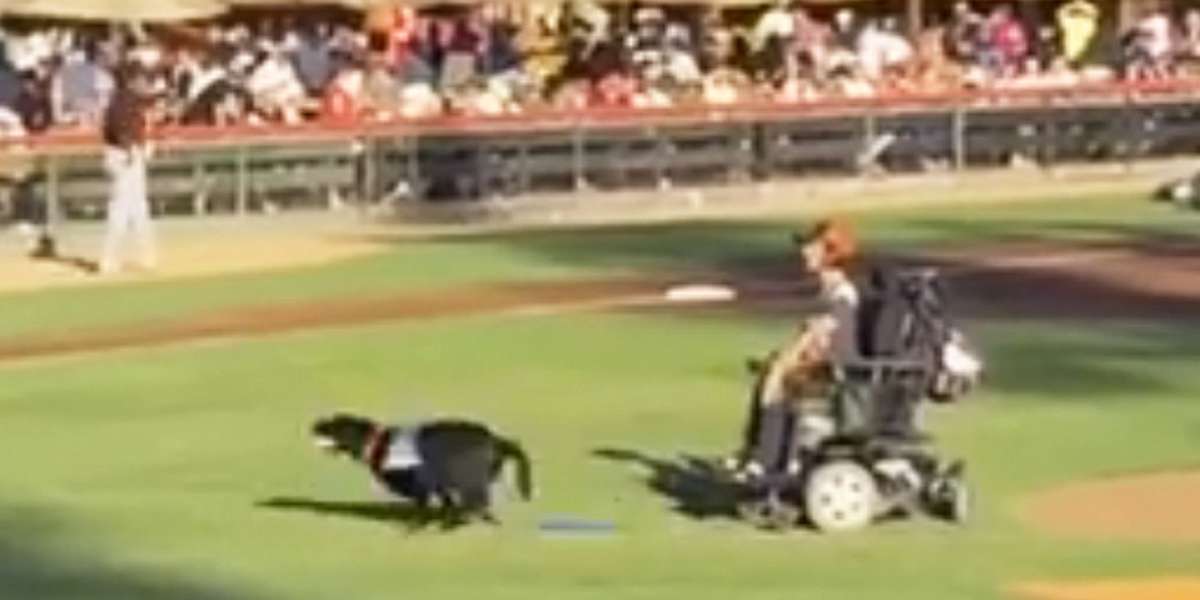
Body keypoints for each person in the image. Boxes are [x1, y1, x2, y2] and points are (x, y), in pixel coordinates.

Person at [731, 218, 862, 482]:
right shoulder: (830, 291)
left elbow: (823, 334)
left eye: (811, 247)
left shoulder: (842, 295)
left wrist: (786, 362)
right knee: (775, 371)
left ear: (830, 252)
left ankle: (766, 461)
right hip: (823, 368)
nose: (804, 252)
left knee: (780, 379)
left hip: (837, 373)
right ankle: (757, 454)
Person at [99, 62, 156, 275]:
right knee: (122, 210)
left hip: (126, 155)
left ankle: (146, 257)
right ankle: (109, 260)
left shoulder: (125, 99)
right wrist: (132, 149)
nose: (144, 81)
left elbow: (150, 101)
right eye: (140, 78)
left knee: (138, 208)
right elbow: (121, 130)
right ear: (131, 80)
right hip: (124, 156)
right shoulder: (123, 101)